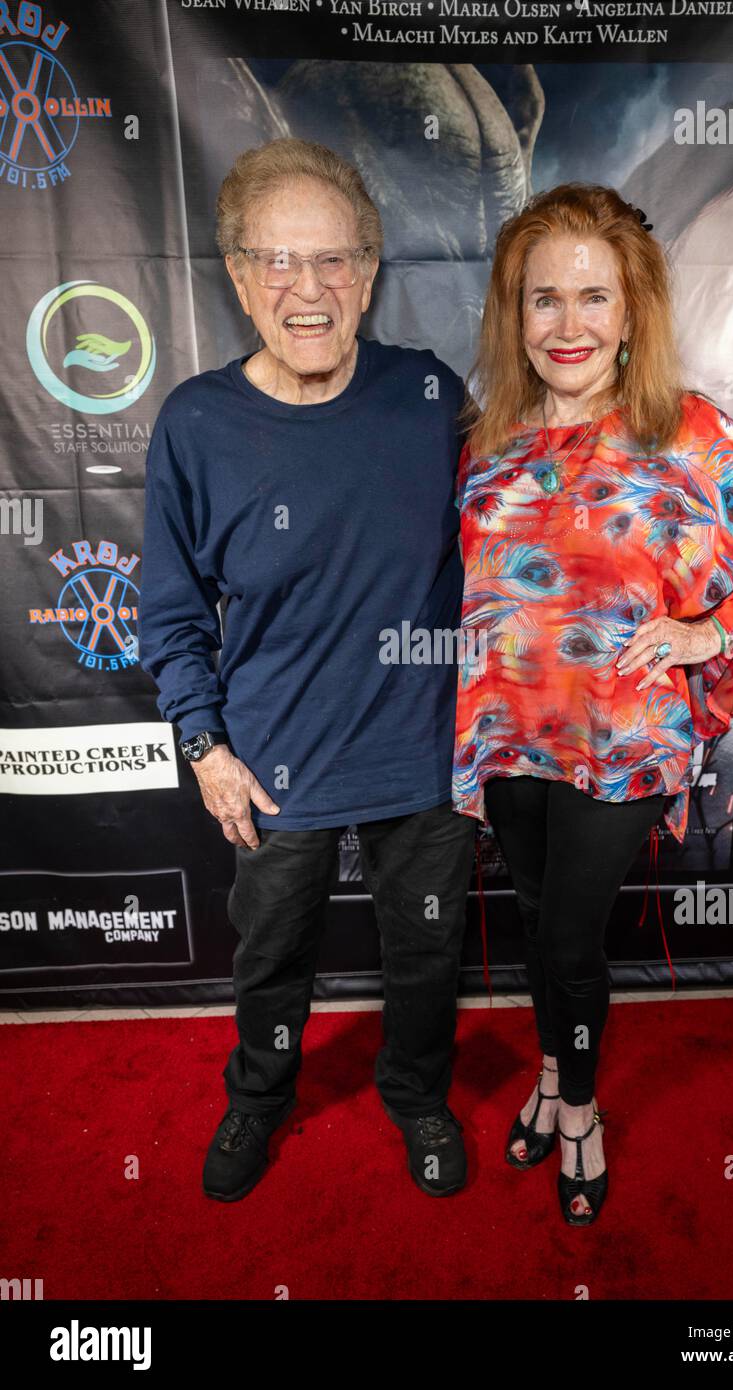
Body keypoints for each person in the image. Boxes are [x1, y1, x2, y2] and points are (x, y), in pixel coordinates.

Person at [451, 183, 733, 1226]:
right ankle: (548, 1068)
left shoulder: (682, 432)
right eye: (544, 300)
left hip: (619, 742)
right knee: (537, 924)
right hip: (509, 735)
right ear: (514, 312)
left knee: (571, 939)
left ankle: (574, 1108)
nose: (567, 324)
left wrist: (706, 634)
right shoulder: (484, 436)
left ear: (631, 312)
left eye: (593, 297)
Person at [138, 137, 476, 1203]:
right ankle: (261, 1095)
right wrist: (207, 748)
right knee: (270, 958)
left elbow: (522, 546)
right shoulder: (195, 423)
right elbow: (170, 612)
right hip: (271, 760)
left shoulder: (430, 398)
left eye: (332, 261)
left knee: (425, 958)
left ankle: (417, 1093)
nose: (307, 289)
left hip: (420, 757)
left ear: (369, 274)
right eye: (277, 262)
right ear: (238, 277)